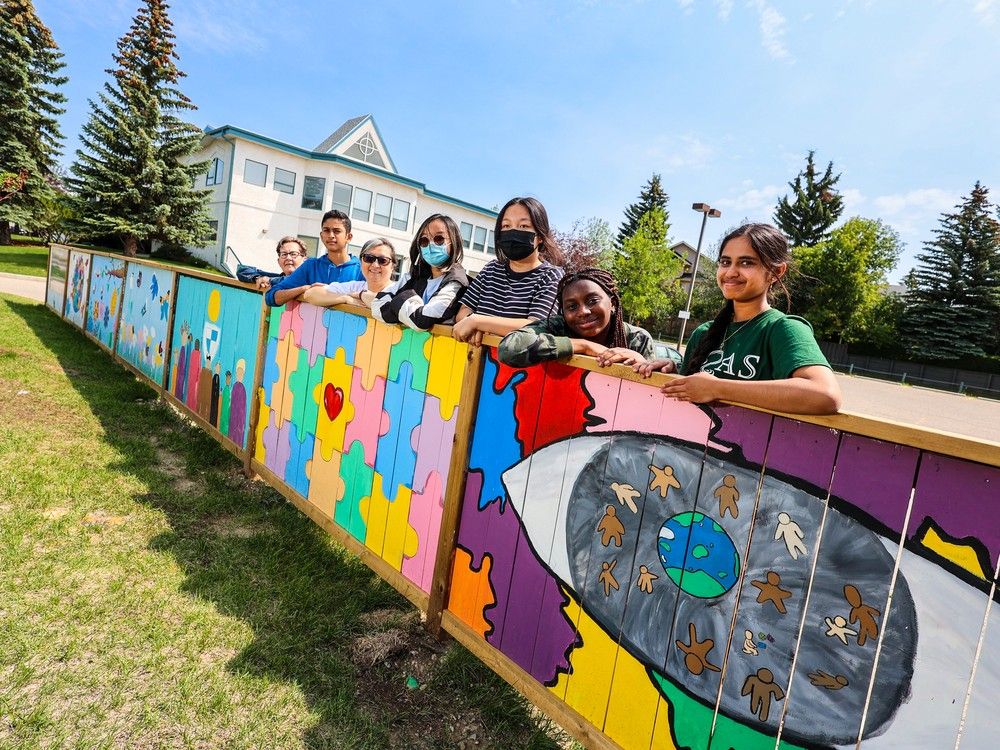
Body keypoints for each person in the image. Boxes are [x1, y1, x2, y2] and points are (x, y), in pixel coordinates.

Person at [636, 223, 841, 415]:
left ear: (776, 272)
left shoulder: (783, 329)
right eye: (725, 262)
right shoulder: (703, 333)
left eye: (746, 262)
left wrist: (718, 388)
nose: (731, 272)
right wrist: (671, 371)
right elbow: (690, 393)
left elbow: (825, 395)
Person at [451, 196, 564, 345]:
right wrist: (471, 325)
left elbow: (536, 327)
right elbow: (464, 310)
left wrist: (477, 322)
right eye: (506, 226)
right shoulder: (491, 269)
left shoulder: (551, 276)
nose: (513, 232)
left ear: (541, 236)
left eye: (523, 226)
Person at [497, 267, 653, 368]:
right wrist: (583, 346)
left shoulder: (637, 339)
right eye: (572, 307)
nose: (583, 312)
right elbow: (508, 349)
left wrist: (642, 363)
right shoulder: (557, 326)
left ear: (612, 303)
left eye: (592, 301)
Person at [370, 214, 469, 329]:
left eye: (439, 239)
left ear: (454, 241)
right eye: (424, 240)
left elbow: (421, 321)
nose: (430, 245)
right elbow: (377, 304)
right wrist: (408, 309)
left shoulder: (456, 282)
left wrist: (403, 298)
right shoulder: (415, 275)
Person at [265, 209, 364, 306]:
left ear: (349, 237)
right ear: (321, 235)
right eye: (326, 230)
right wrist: (305, 289)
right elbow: (271, 296)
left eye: (337, 231)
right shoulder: (311, 266)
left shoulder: (363, 269)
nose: (331, 235)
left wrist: (336, 295)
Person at [301, 237, 396, 307]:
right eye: (369, 258)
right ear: (361, 262)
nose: (375, 265)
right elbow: (310, 294)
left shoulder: (400, 291)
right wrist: (345, 298)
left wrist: (361, 295)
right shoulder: (355, 287)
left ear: (393, 266)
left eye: (383, 260)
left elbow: (391, 307)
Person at [236, 236, 306, 291]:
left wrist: (268, 280)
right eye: (284, 254)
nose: (288, 258)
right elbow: (242, 270)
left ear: (304, 260)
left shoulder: (308, 278)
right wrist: (257, 278)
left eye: (293, 254)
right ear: (278, 261)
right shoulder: (277, 278)